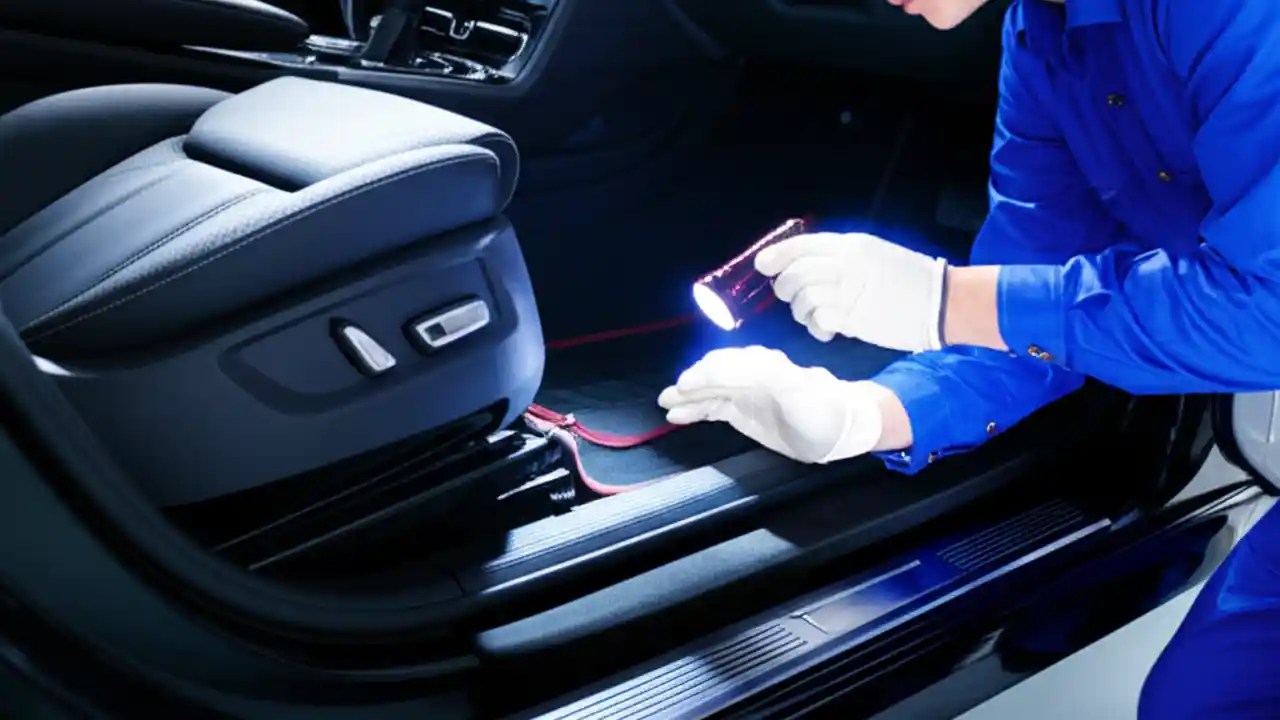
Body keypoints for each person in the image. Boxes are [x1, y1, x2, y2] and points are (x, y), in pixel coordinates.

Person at [658, 0, 1280, 716]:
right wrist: (862, 416)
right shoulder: (1041, 35)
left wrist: (944, 298)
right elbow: (1032, 300)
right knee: (1200, 702)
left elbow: (1270, 308)